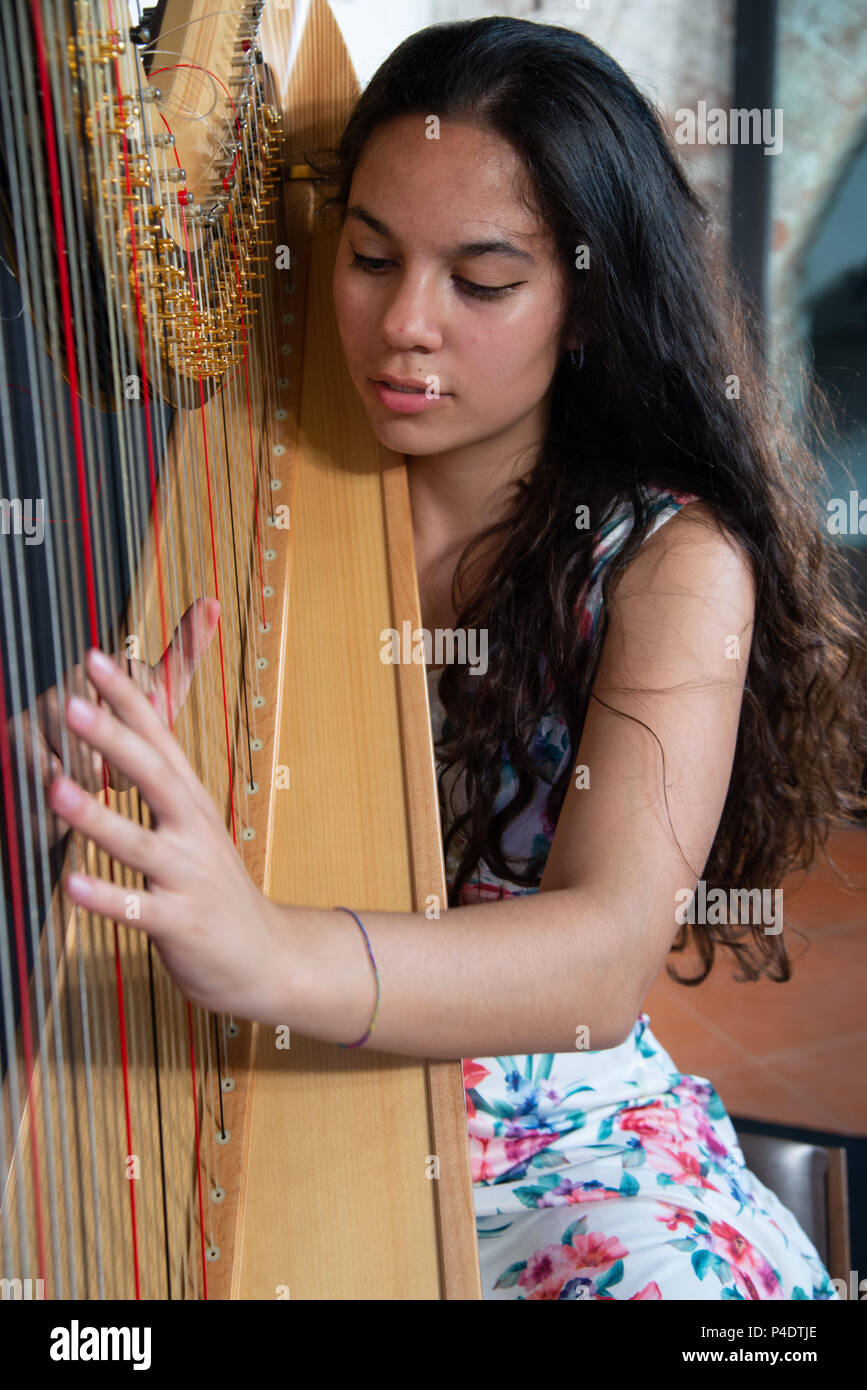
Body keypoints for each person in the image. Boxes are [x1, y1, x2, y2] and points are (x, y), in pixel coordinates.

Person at [47, 17, 866, 1300]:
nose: (403, 324)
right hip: (253, 1079)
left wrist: (272, 951)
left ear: (585, 303)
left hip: (558, 1150)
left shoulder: (669, 565)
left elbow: (602, 957)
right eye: (371, 258)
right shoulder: (236, 485)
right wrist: (67, 750)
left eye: (481, 283)